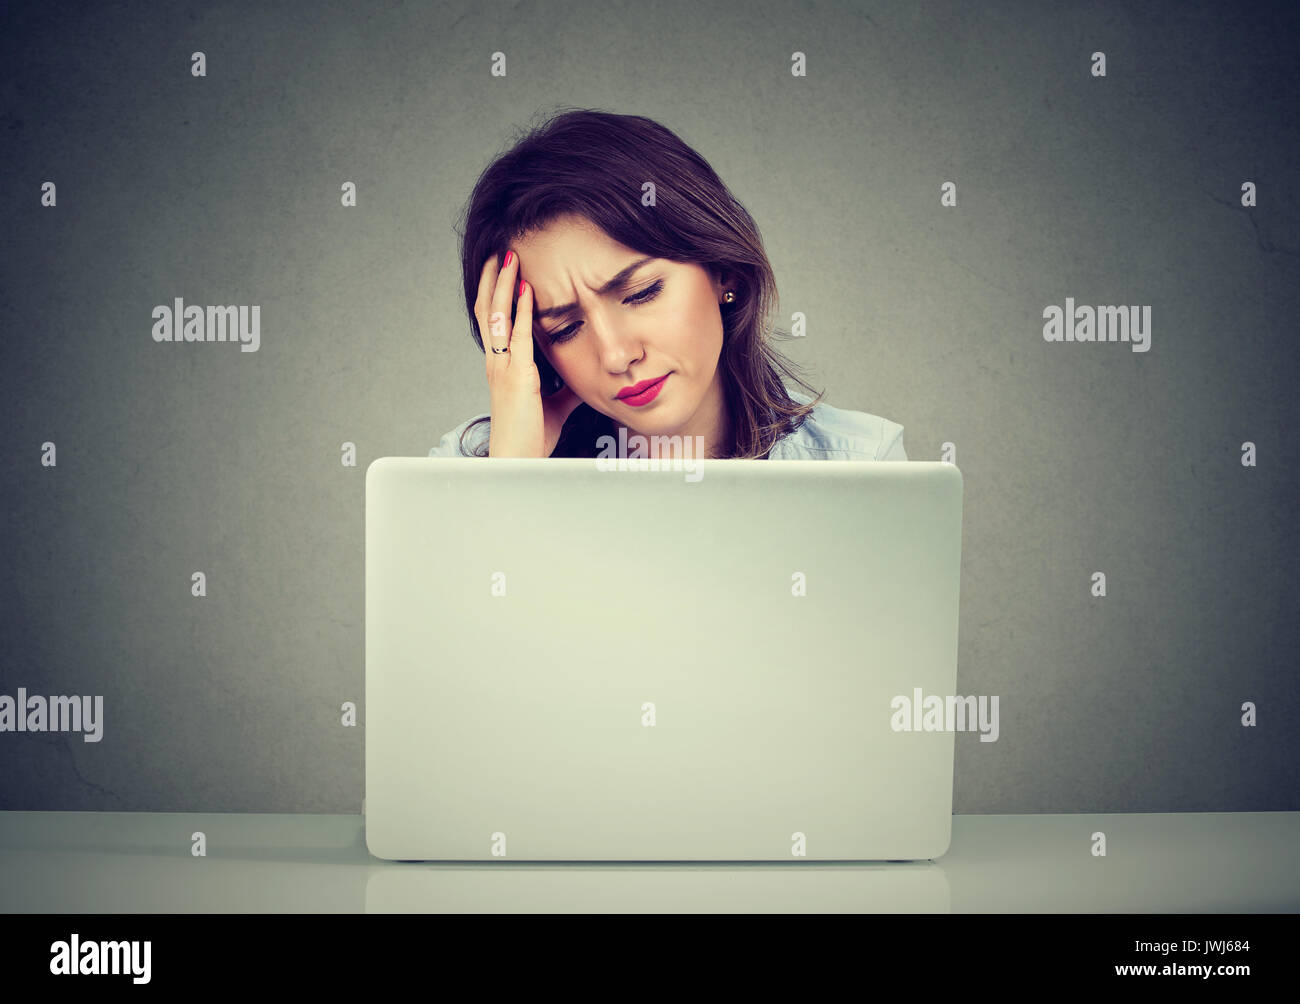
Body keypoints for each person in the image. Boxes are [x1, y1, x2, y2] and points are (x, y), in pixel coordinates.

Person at [429, 108, 906, 463]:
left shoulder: (860, 461)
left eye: (641, 294)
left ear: (725, 274)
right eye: (565, 329)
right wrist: (512, 479)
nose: (617, 356)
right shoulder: (466, 472)